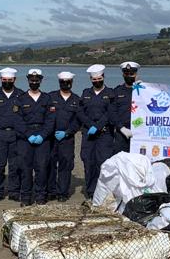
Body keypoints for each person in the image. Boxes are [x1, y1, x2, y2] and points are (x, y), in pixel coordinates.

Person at [17, 69, 56, 206]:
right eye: (32, 80)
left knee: (41, 168)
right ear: (28, 81)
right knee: (25, 169)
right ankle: (26, 197)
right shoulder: (21, 99)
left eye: (36, 81)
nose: (34, 83)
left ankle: (40, 196)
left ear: (40, 81)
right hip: (25, 139)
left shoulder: (47, 99)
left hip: (42, 138)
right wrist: (28, 135)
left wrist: (42, 135)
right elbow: (18, 120)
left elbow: (51, 120)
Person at [78, 64, 116, 200]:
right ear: (91, 79)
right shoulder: (85, 93)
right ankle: (90, 191)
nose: (97, 81)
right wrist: (90, 125)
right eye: (94, 79)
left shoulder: (110, 93)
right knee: (88, 162)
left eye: (99, 78)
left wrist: (98, 126)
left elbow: (110, 113)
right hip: (88, 133)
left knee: (103, 163)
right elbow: (80, 112)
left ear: (103, 77)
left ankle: (104, 192)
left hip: (105, 134)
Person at [0, 67, 23, 203]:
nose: (7, 82)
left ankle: (14, 191)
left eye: (10, 80)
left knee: (16, 165)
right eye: (5, 80)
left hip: (16, 134)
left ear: (14, 80)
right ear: (1, 79)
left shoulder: (21, 95)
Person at [48, 71, 81, 202]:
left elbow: (78, 120)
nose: (65, 84)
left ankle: (62, 192)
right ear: (59, 83)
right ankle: (51, 191)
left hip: (67, 138)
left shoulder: (76, 100)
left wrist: (68, 132)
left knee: (65, 165)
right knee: (50, 164)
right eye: (63, 82)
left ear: (72, 83)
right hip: (52, 137)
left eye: (68, 82)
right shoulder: (51, 97)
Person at [112, 61, 140, 154]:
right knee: (120, 160)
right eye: (126, 73)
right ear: (123, 75)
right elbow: (112, 112)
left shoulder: (143, 90)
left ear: (136, 74)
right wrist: (121, 128)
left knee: (138, 161)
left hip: (139, 131)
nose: (129, 76)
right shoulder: (117, 91)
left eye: (131, 74)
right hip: (121, 132)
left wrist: (145, 87)